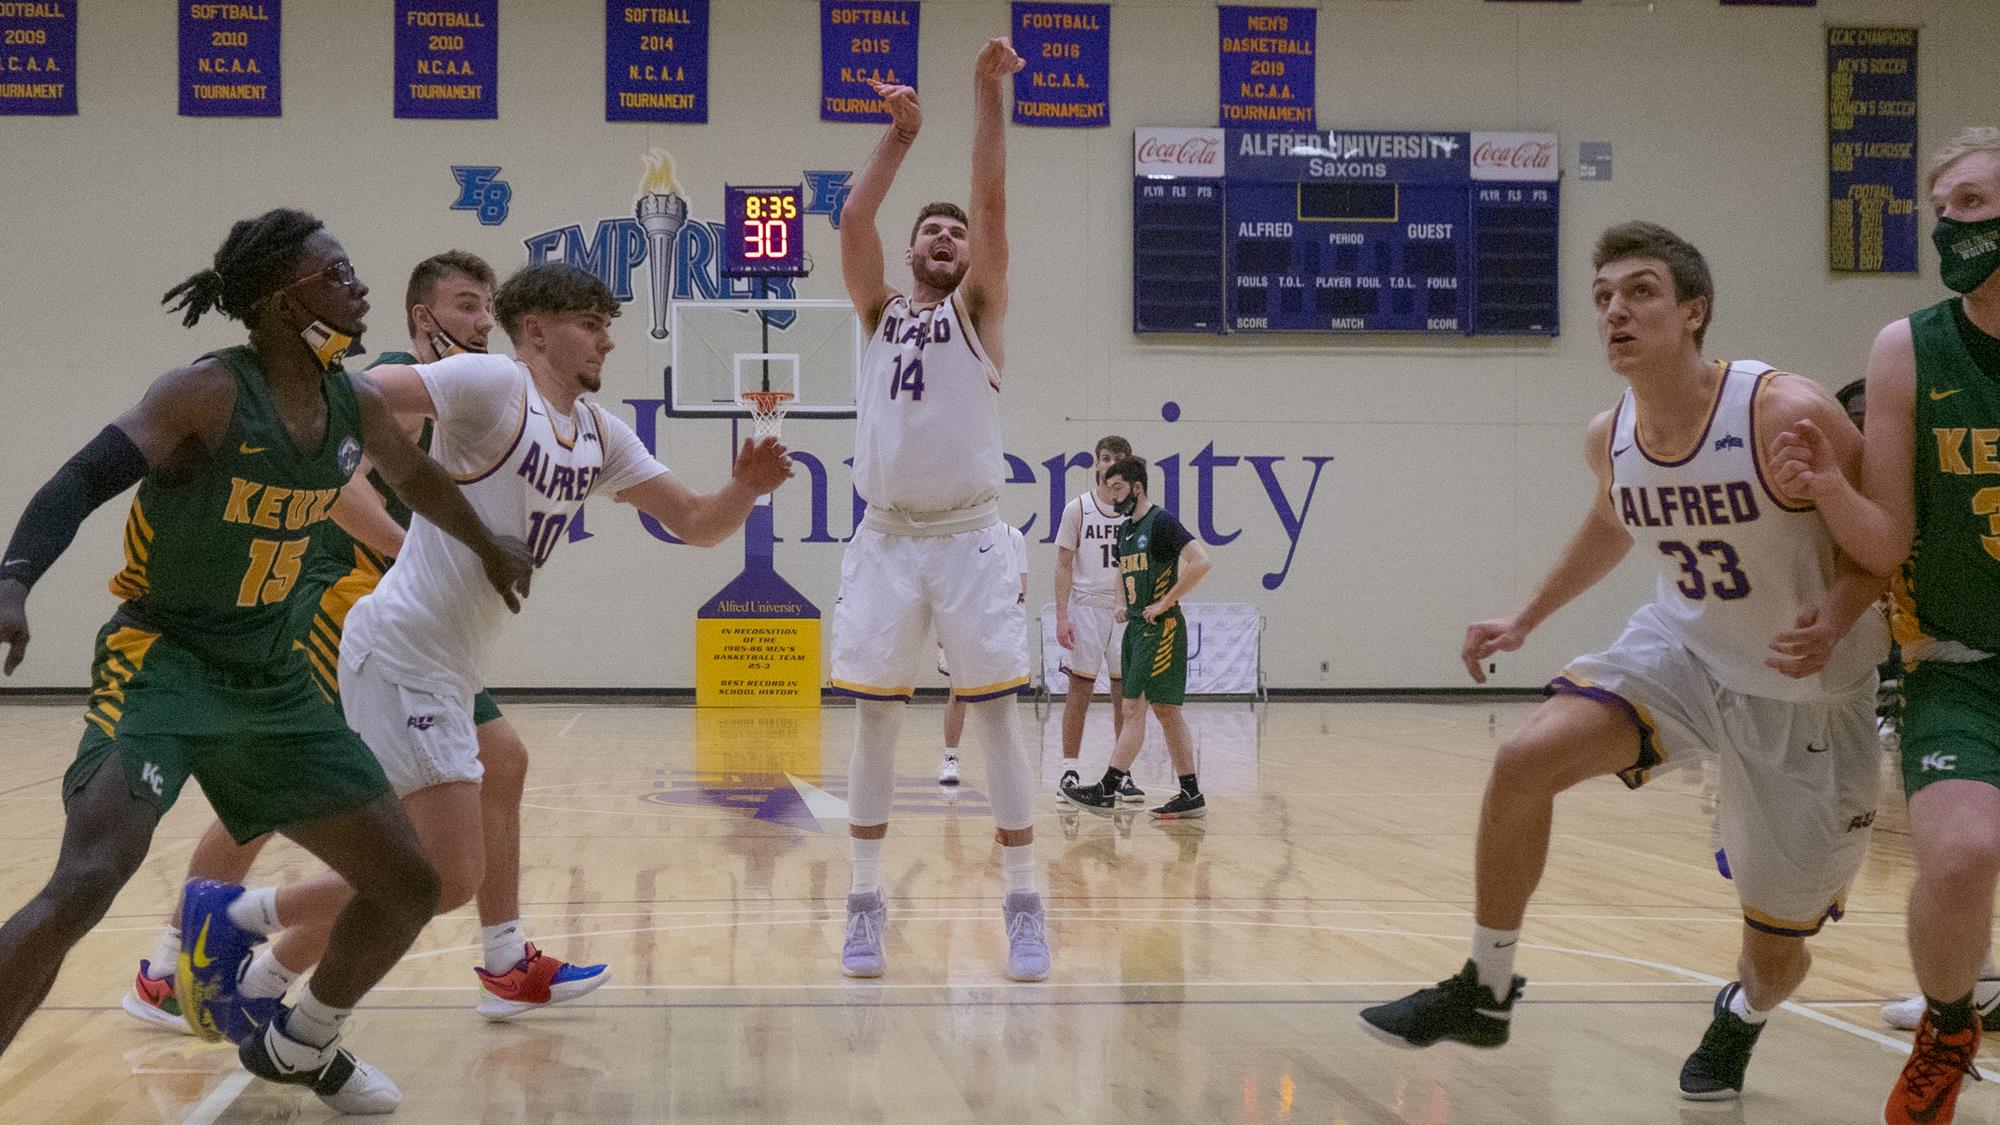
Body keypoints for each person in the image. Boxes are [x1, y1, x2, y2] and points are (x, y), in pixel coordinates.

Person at [178, 262, 794, 1049]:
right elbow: (361, 398)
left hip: (442, 663)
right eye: (590, 322)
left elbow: (699, 523)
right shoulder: (490, 383)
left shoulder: (599, 433)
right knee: (439, 877)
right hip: (400, 649)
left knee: (423, 857)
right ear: (535, 329)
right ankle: (238, 926)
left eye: (609, 324)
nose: (608, 337)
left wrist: (742, 487)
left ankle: (263, 985)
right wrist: (265, 394)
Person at [0, 208, 534, 1113]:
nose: (359, 286)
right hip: (164, 661)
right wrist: (12, 581)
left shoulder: (354, 403)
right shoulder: (202, 394)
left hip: (273, 678)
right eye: (339, 273)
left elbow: (418, 478)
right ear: (288, 302)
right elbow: (80, 480)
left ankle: (301, 1042)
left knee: (410, 882)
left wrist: (487, 543)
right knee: (89, 877)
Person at [1357, 221, 1888, 1104]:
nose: (1614, 311)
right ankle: (1485, 987)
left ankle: (1744, 1013)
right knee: (1522, 760)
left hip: (1804, 692)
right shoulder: (1613, 433)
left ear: (1694, 311)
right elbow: (1615, 519)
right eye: (1602, 296)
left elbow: (1887, 543)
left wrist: (1834, 618)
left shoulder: (1783, 411)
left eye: (1639, 291)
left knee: (1776, 955)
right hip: (1683, 651)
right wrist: (1522, 618)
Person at [123, 251, 605, 1035]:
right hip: (338, 600)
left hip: (406, 622)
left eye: (489, 307)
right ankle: (169, 964)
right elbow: (341, 486)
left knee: (498, 762)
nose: (484, 320)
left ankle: (503, 955)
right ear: (424, 319)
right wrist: (408, 543)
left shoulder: (491, 397)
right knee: (289, 789)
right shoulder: (390, 384)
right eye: (466, 305)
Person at [1768, 127, 2000, 1124]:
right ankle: (1949, 1024)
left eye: (1979, 203)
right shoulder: (1908, 349)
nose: (1961, 224)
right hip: (1960, 662)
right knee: (1957, 859)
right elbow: (1886, 533)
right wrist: (1825, 485)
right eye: (1947, 208)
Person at [829, 39, 1050, 983]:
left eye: (956, 235)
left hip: (966, 536)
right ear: (914, 249)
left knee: (997, 717)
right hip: (886, 539)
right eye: (933, 233)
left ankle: (1025, 904)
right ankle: (865, 901)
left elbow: (992, 203)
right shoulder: (879, 313)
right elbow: (851, 215)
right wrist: (899, 134)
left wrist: (982, 95)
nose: (947, 238)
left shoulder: (980, 311)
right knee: (876, 723)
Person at [1059, 457, 1212, 820]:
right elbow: (1122, 570)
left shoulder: (1161, 523)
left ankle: (1108, 787)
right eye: (1107, 489)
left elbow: (1201, 561)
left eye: (1117, 488)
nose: (1111, 498)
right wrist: (1122, 601)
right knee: (1165, 710)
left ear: (1136, 486)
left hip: (1161, 629)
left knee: (1133, 708)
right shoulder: (1127, 529)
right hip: (1136, 629)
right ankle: (1191, 791)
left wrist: (1165, 602)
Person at [1050, 435, 1142, 802]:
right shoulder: (1078, 508)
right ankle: (1069, 769)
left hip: (1125, 608)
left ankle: (1121, 772)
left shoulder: (1136, 512)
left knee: (1126, 695)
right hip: (1086, 606)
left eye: (1117, 458)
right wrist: (1061, 615)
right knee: (1080, 690)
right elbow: (1062, 564)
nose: (1109, 464)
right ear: (1096, 464)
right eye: (1104, 458)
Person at [939, 522, 1028, 785]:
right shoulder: (958, 535)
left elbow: (1021, 589)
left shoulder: (1013, 537)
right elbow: (945, 585)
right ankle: (950, 758)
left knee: (1002, 702)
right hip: (963, 623)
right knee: (958, 694)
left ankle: (1005, 765)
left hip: (998, 626)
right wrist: (942, 626)